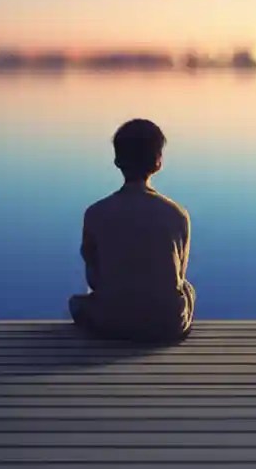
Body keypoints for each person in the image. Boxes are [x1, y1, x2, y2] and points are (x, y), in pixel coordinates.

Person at [69, 119, 194, 343]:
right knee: (188, 290)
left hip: (110, 324)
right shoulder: (177, 214)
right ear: (158, 162)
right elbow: (178, 276)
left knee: (77, 303)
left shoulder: (95, 213)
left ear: (117, 161)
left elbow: (94, 276)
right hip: (166, 326)